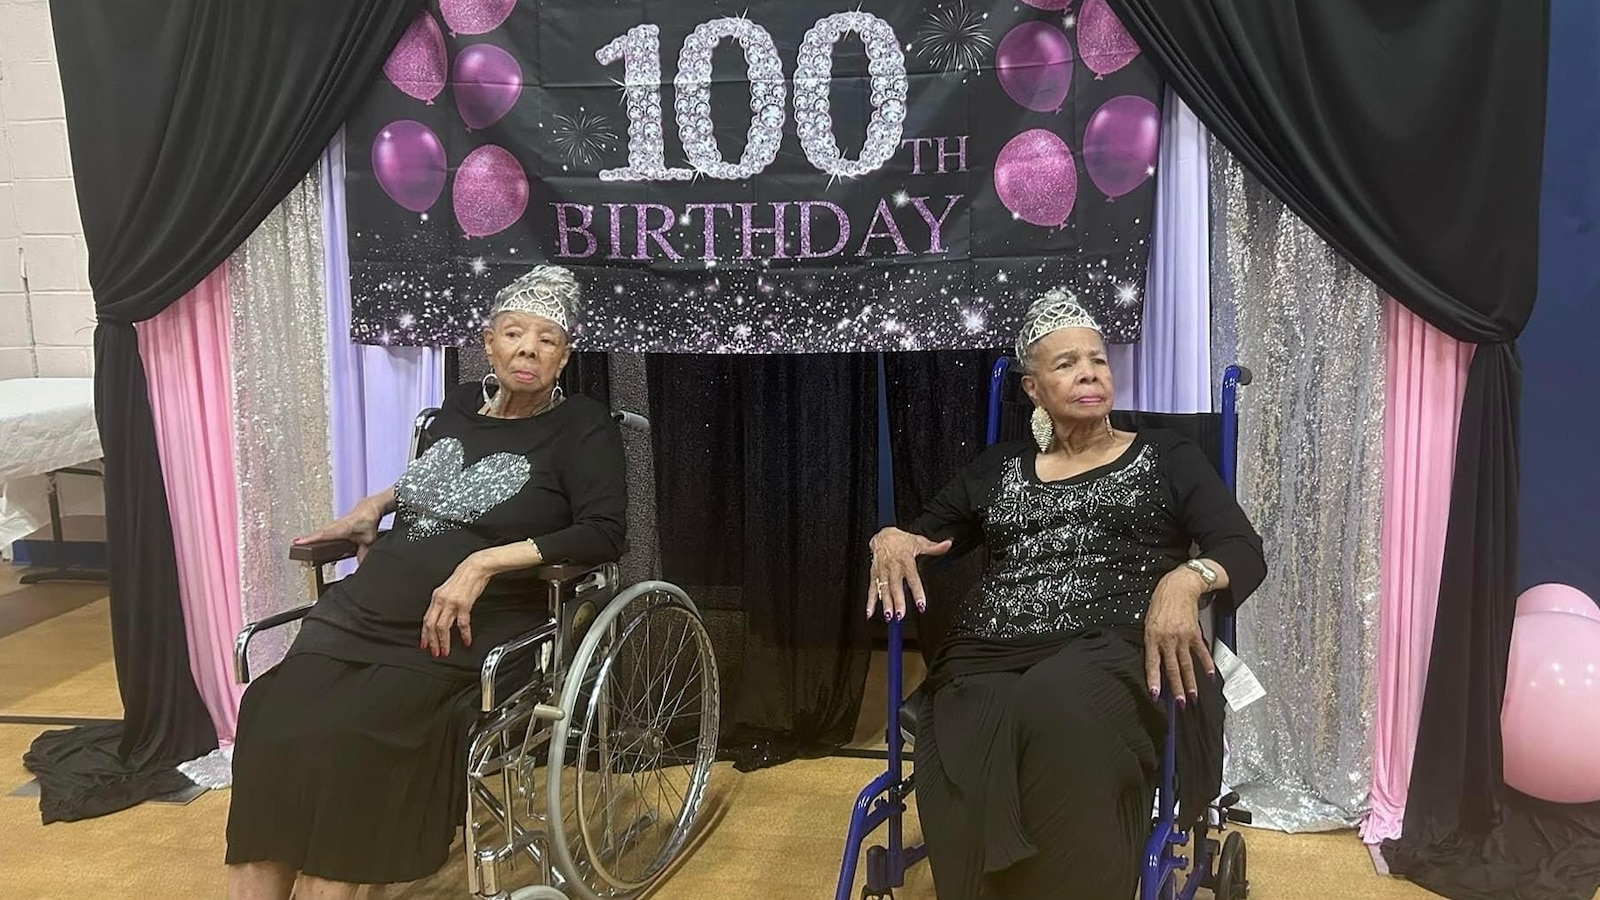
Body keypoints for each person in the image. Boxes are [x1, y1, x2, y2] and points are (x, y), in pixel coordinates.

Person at [226, 266, 627, 900]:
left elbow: (604, 533)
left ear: (566, 355)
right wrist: (374, 504)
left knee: (356, 734)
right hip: (362, 612)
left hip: (465, 632)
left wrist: (483, 563)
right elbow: (433, 482)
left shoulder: (582, 426)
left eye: (547, 339)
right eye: (514, 333)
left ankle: (336, 882)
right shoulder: (459, 406)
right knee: (272, 713)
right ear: (488, 341)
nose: (528, 349)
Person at [867, 289, 1267, 900]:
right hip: (991, 650)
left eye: (1098, 360)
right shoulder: (999, 468)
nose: (1088, 372)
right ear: (1033, 389)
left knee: (1054, 702)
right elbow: (924, 535)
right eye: (1066, 363)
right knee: (961, 720)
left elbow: (1241, 546)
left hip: (1114, 647)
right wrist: (893, 539)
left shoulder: (1167, 457)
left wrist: (1188, 578)